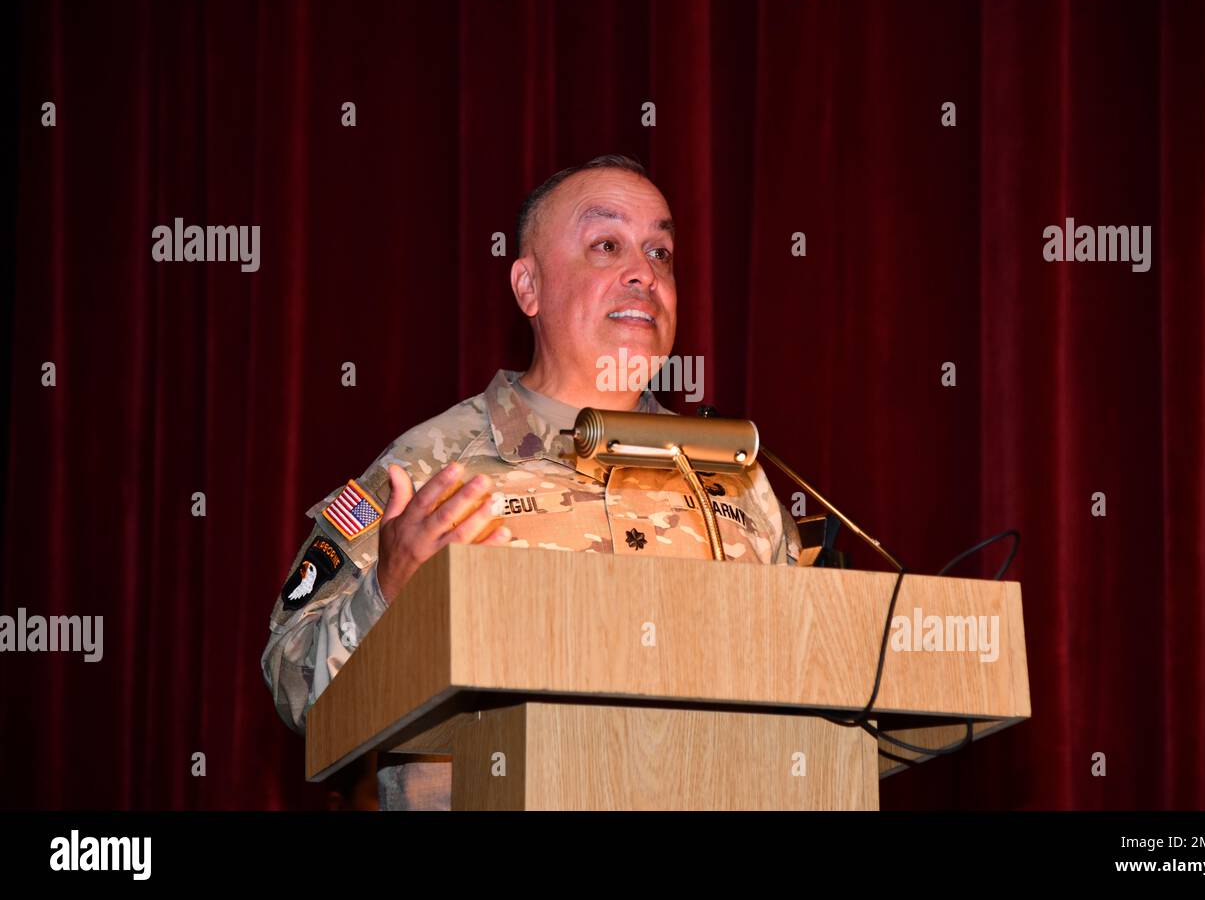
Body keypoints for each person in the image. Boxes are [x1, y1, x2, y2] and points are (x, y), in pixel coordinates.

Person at [261, 154, 801, 809]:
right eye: (607, 246)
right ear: (528, 287)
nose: (644, 273)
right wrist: (386, 591)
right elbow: (296, 690)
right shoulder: (429, 468)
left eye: (660, 252)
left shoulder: (735, 481)